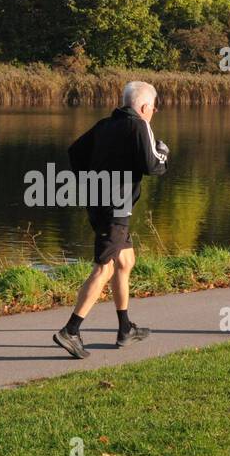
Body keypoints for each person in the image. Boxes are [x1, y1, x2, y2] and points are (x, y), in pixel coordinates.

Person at [53, 80, 169, 359]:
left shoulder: (105, 125)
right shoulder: (139, 125)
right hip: (115, 209)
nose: (153, 112)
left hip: (100, 204)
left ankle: (125, 328)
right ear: (144, 107)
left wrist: (93, 182)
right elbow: (153, 165)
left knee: (125, 262)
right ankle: (70, 330)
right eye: (153, 108)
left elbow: (75, 152)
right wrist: (164, 152)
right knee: (104, 268)